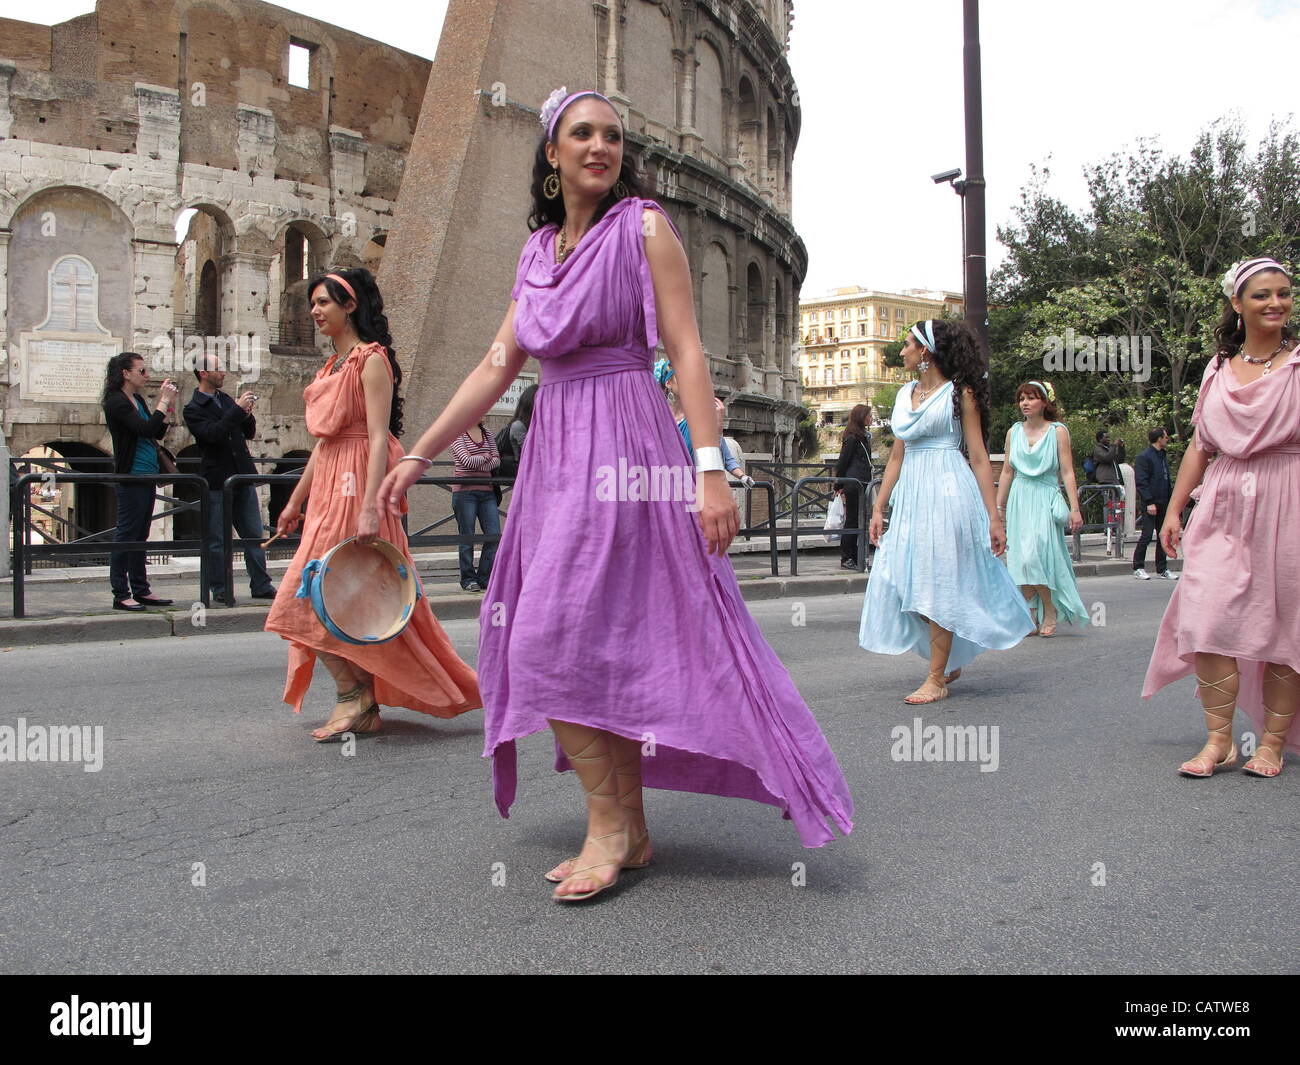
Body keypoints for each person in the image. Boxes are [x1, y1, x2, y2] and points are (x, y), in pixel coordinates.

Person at [379, 88, 852, 903]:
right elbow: (498, 364)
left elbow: (689, 352)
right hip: (555, 456)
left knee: (556, 637)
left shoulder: (644, 228)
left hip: (630, 446)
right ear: (553, 153)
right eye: (582, 133)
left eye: (613, 136)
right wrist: (419, 449)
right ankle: (626, 824)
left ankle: (607, 826)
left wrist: (710, 470)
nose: (600, 145)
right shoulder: (534, 255)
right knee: (570, 638)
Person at [265, 266, 480, 740]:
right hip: (328, 486)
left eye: (324, 302)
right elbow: (323, 444)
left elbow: (380, 436)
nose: (315, 311)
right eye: (313, 303)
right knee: (320, 596)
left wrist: (369, 504)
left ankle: (356, 698)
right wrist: (295, 501)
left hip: (361, 481)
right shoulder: (330, 367)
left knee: (333, 594)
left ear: (350, 306)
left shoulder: (372, 359)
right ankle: (358, 696)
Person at [1143, 256, 1300, 778]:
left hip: (1288, 498)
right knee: (1207, 618)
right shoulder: (1215, 369)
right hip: (1224, 499)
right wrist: (1173, 509)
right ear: (1237, 304)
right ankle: (1219, 740)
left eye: (1283, 292)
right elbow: (1200, 446)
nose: (1275, 302)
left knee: (1283, 628)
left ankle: (1273, 743)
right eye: (1261, 295)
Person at [859, 319, 1036, 703]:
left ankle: (936, 677)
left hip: (949, 491)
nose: (901, 351)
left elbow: (976, 456)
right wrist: (879, 505)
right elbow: (896, 454)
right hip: (912, 496)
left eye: (907, 344)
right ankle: (949, 654)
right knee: (899, 578)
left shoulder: (961, 393)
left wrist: (994, 515)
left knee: (939, 579)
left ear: (926, 350)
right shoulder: (905, 393)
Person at [995, 381, 1086, 637]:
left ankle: (1049, 608)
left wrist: (1075, 508)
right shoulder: (1014, 432)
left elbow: (1067, 471)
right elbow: (1007, 471)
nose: (1024, 402)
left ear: (1044, 402)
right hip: (1020, 498)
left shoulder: (1058, 431)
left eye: (1031, 398)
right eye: (1022, 398)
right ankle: (1031, 616)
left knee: (1036, 557)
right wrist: (998, 507)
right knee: (1021, 561)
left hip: (1045, 496)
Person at [183, 353, 275, 605]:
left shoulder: (225, 399)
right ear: (203, 373)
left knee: (254, 534)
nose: (224, 372)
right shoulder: (193, 409)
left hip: (241, 476)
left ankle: (261, 584)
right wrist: (236, 410)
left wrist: (246, 413)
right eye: (219, 369)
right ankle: (220, 588)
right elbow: (212, 434)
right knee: (218, 540)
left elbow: (248, 432)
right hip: (216, 480)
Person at [102, 352, 178, 611]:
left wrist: (166, 408)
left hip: (147, 472)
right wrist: (163, 400)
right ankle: (120, 593)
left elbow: (155, 431)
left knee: (140, 535)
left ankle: (141, 589)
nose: (146, 375)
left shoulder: (137, 399)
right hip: (131, 474)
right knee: (126, 534)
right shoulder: (116, 402)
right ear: (125, 373)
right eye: (141, 371)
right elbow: (143, 429)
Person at [450, 421, 501, 592]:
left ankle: (484, 578)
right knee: (467, 537)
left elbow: (497, 460)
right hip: (465, 492)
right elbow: (466, 461)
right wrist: (486, 457)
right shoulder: (458, 431)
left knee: (493, 535)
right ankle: (468, 579)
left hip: (487, 491)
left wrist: (481, 459)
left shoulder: (486, 432)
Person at [1132, 427, 1176, 582]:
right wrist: (1149, 501)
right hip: (1151, 502)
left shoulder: (1162, 455)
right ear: (1159, 438)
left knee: (1163, 535)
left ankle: (1162, 568)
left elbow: (1165, 479)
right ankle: (1138, 567)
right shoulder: (1144, 457)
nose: (1167, 438)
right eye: (1165, 436)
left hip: (1164, 500)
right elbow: (1141, 481)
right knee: (1146, 534)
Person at [835, 404, 873, 570]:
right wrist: (839, 483)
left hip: (863, 482)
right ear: (861, 417)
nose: (871, 418)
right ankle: (847, 556)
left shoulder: (863, 436)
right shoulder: (851, 437)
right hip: (854, 483)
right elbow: (843, 461)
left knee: (860, 520)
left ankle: (857, 555)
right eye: (869, 415)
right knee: (852, 519)